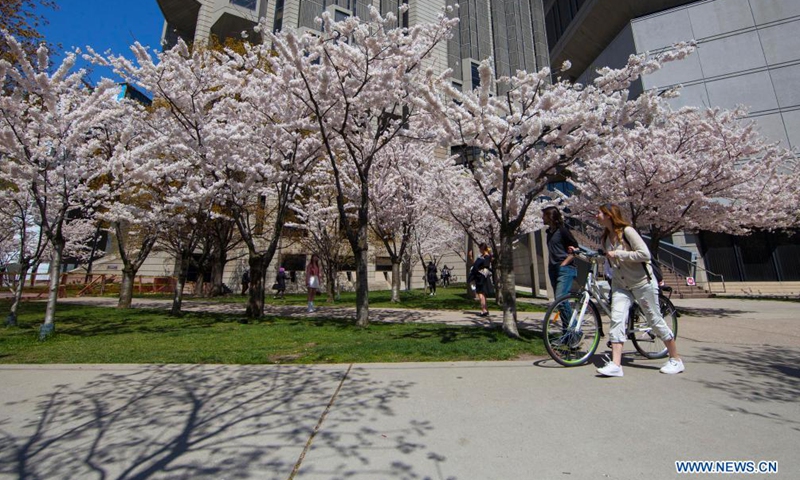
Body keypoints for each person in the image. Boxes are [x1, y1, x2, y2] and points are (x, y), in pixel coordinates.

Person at [596, 203, 684, 377]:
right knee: (617, 319)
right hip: (621, 285)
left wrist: (620, 254)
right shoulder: (606, 237)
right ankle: (615, 364)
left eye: (599, 213)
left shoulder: (627, 232)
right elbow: (609, 261)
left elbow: (644, 254)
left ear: (609, 215)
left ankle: (676, 359)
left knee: (654, 319)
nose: (596, 215)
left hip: (642, 283)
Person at [542, 206, 579, 311]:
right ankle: (567, 327)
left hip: (565, 269)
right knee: (559, 302)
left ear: (550, 216)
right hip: (553, 268)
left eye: (544, 215)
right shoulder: (548, 233)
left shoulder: (563, 231)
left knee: (560, 300)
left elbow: (576, 249)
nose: (542, 218)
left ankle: (573, 326)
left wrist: (564, 263)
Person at [468, 243, 493, 317]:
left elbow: (485, 266)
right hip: (480, 276)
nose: (479, 250)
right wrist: (471, 257)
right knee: (482, 293)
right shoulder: (482, 256)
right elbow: (475, 265)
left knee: (480, 293)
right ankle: (485, 310)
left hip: (481, 277)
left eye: (480, 249)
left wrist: (479, 270)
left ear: (482, 249)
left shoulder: (486, 257)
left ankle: (483, 310)